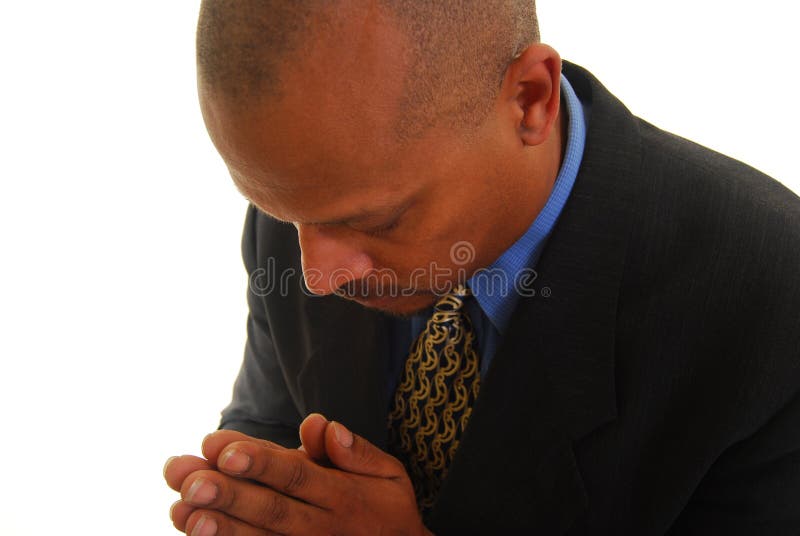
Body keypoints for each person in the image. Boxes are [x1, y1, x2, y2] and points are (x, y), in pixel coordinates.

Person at [163, 1, 800, 534]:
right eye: (275, 208)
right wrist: (247, 492)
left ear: (531, 99)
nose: (316, 276)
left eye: (378, 221)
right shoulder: (316, 197)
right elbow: (274, 416)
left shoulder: (770, 304)